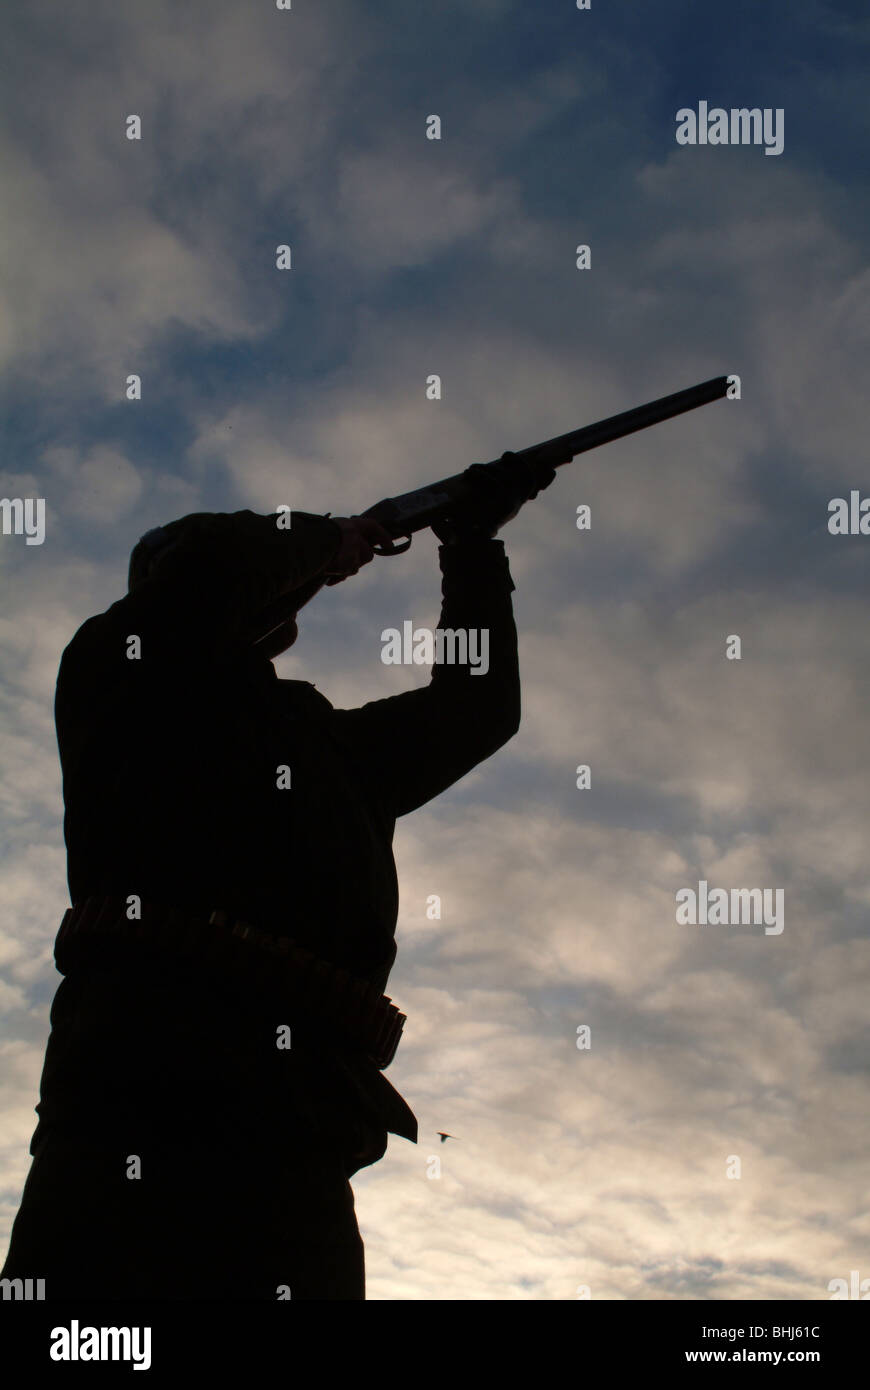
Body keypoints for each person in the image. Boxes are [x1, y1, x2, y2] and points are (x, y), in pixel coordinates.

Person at [0, 457, 551, 1299]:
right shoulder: (120, 664)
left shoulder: (332, 747)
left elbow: (477, 706)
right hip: (134, 1107)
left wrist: (471, 547)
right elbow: (214, 567)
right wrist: (333, 540)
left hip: (306, 1130)